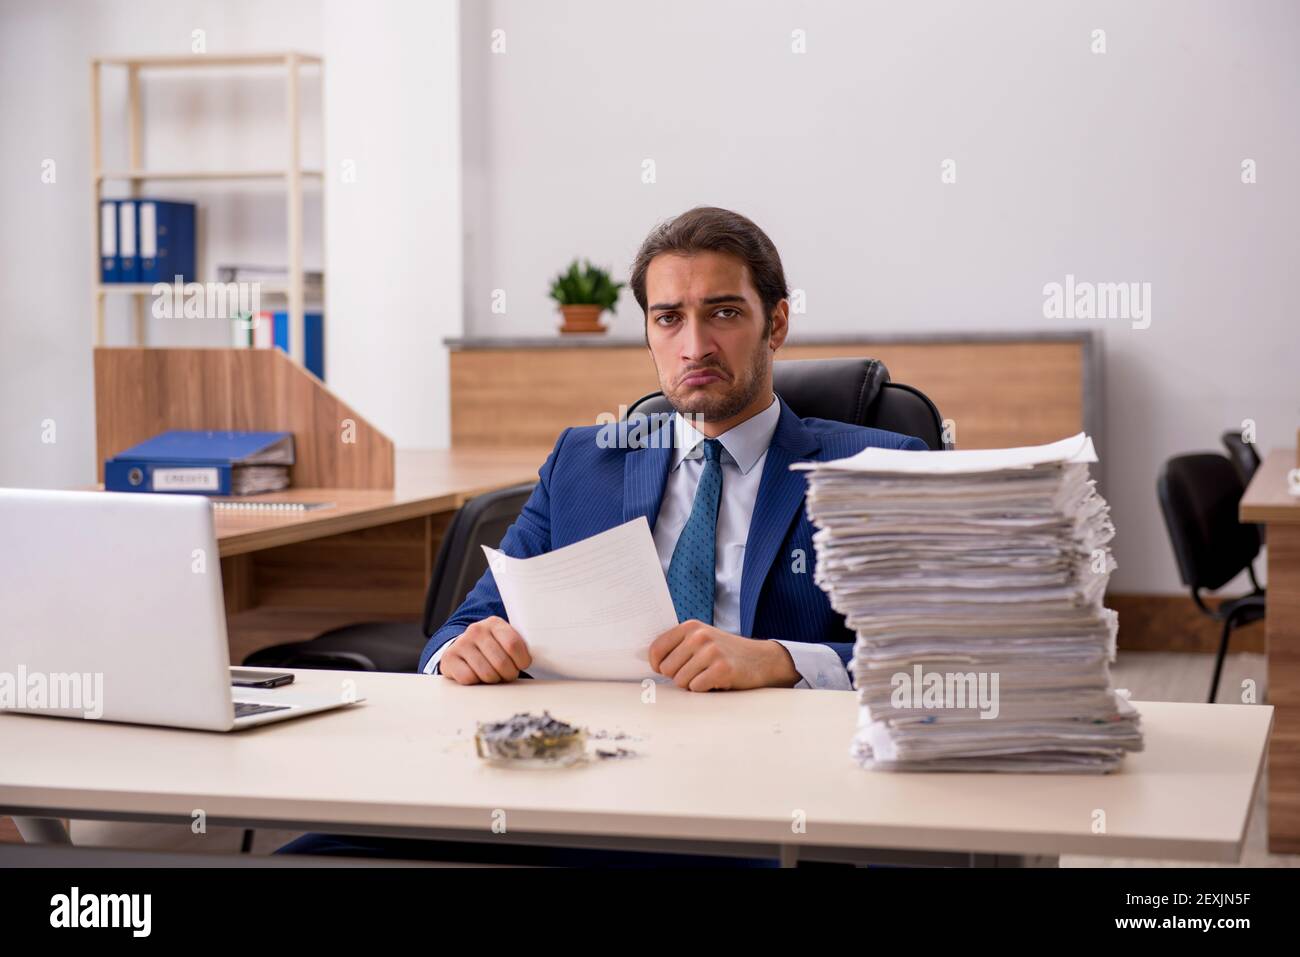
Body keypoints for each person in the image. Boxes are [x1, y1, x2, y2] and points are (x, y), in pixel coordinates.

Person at [278, 206, 927, 865]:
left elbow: (933, 664)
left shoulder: (875, 468)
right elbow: (464, 626)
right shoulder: (583, 461)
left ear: (776, 323)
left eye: (724, 313)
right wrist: (462, 651)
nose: (694, 345)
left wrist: (780, 660)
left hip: (759, 801)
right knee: (316, 851)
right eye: (669, 317)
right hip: (573, 786)